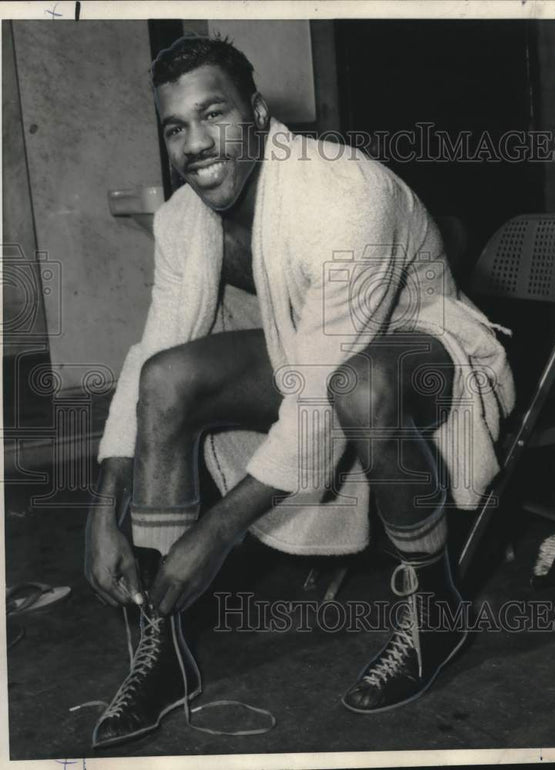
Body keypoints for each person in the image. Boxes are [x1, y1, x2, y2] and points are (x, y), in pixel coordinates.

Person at [84, 34, 515, 748]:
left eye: (212, 113)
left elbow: (320, 397)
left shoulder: (345, 194)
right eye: (175, 127)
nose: (195, 143)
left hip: (429, 345)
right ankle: (166, 644)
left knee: (361, 385)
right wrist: (105, 510)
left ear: (255, 112)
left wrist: (216, 531)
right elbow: (152, 354)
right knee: (166, 379)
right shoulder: (183, 220)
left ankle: (435, 611)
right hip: (307, 347)